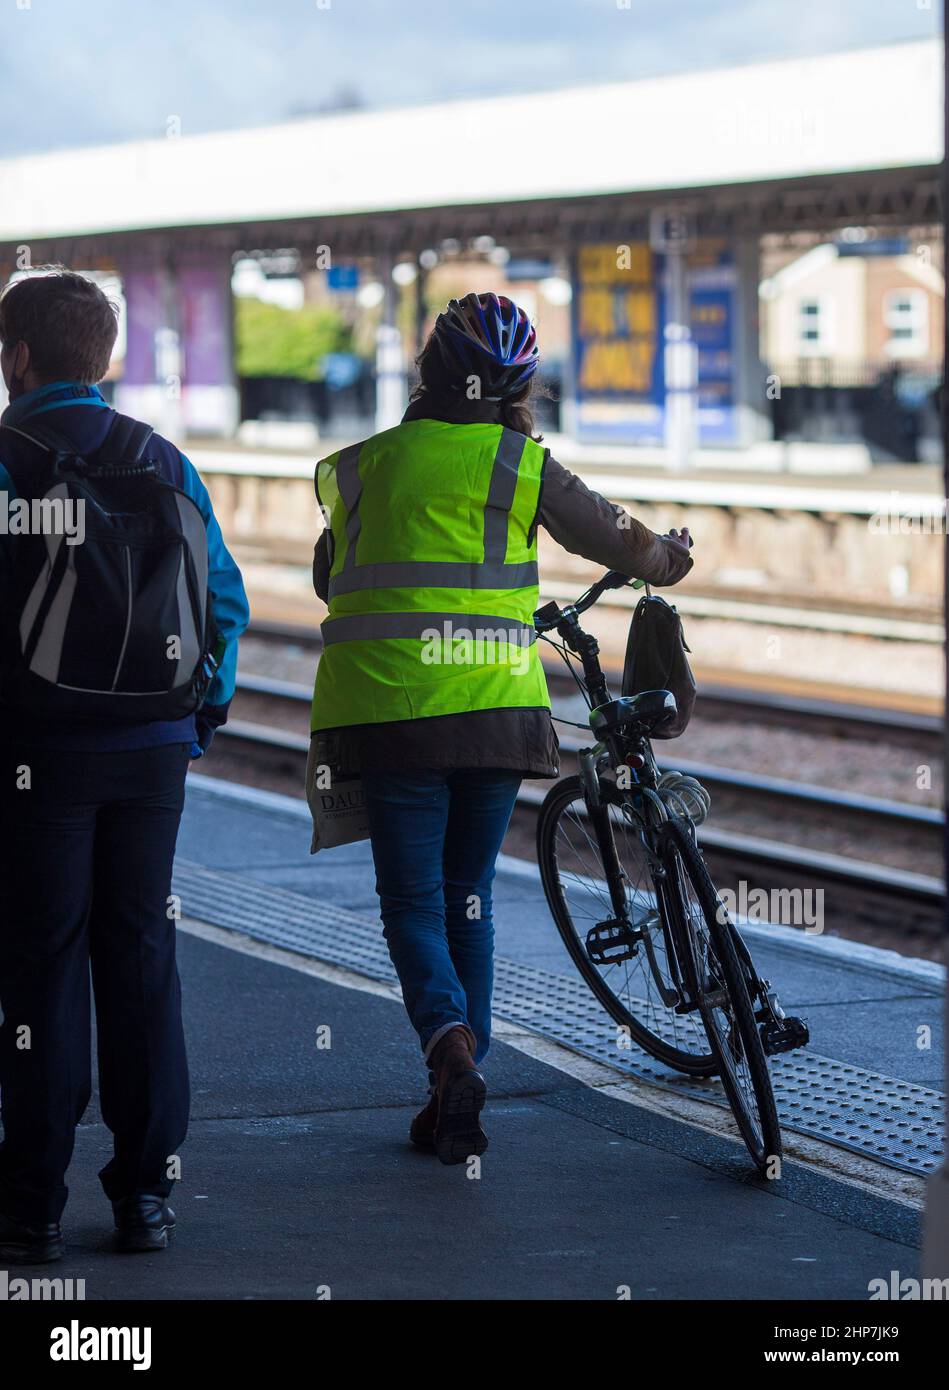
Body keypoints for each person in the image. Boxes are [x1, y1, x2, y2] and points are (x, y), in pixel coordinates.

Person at [310, 291, 692, 1165]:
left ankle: (449, 1053)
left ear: (426, 372)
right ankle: (459, 1079)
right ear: (521, 388)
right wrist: (673, 558)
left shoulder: (361, 466)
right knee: (467, 898)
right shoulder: (521, 464)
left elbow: (334, 578)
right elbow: (620, 540)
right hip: (492, 713)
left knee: (411, 902)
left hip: (391, 712)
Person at [0, 268, 249, 1262]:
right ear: (100, 359)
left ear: (18, 357)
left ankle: (31, 1203)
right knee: (140, 957)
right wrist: (196, 720)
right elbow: (219, 603)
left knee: (42, 966)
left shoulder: (8, 461)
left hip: (35, 754)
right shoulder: (164, 461)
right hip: (154, 751)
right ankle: (145, 1193)